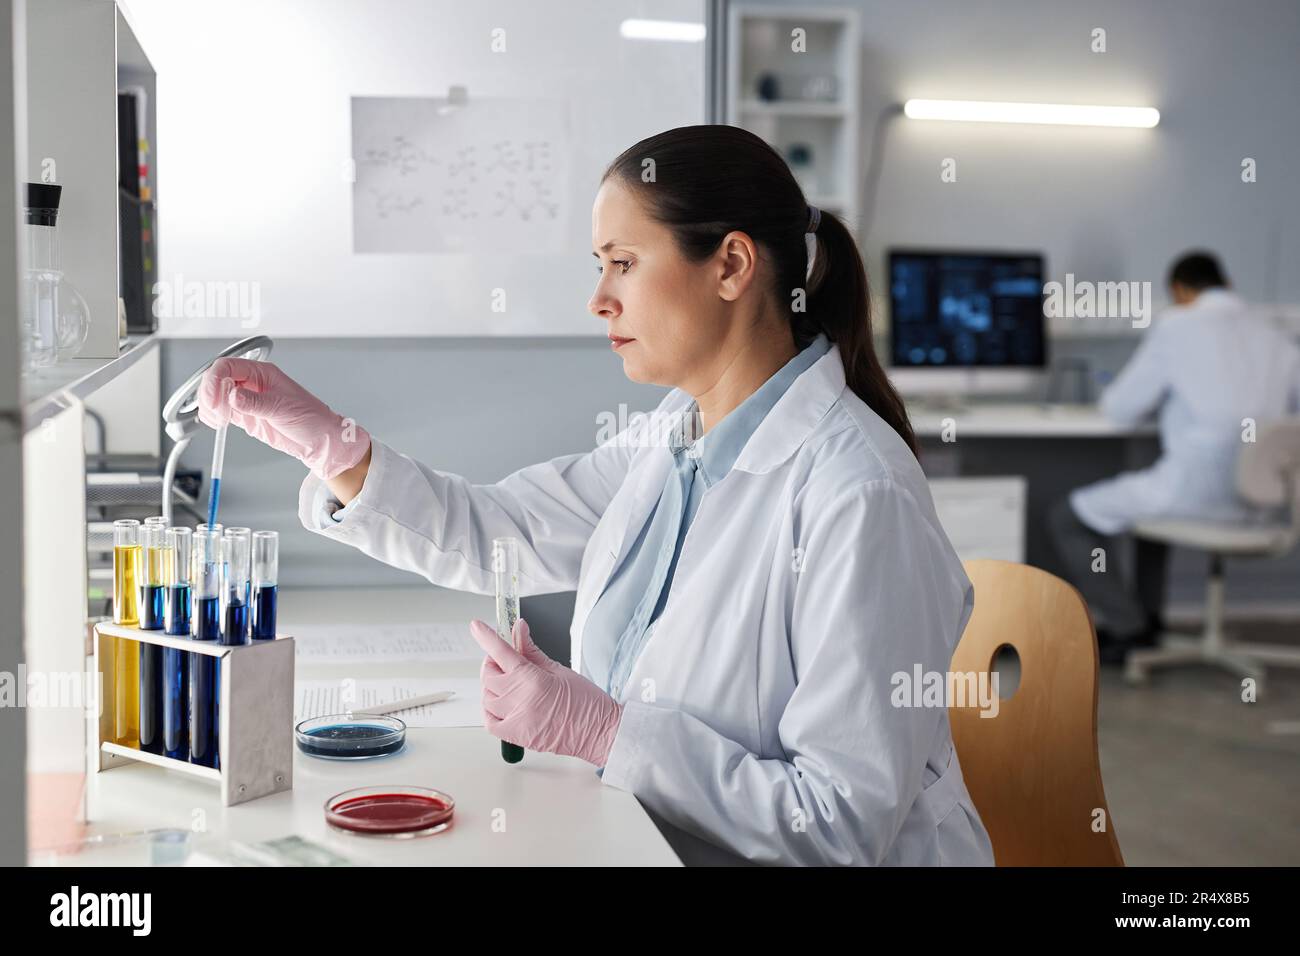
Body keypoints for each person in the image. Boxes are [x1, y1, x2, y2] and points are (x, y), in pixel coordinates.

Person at [199, 124, 994, 867]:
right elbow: (498, 531)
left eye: (624, 261)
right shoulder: (676, 436)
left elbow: (840, 823)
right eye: (598, 265)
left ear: (731, 265)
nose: (599, 299)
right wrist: (326, 442)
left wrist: (608, 732)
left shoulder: (858, 494)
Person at [1049, 252, 1300, 663]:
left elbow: (1120, 410)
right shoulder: (1277, 339)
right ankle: (1150, 623)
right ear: (1228, 284)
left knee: (1066, 516)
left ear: (1180, 291)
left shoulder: (1176, 326)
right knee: (1149, 519)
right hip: (1265, 504)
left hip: (1193, 493)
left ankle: (1129, 628)